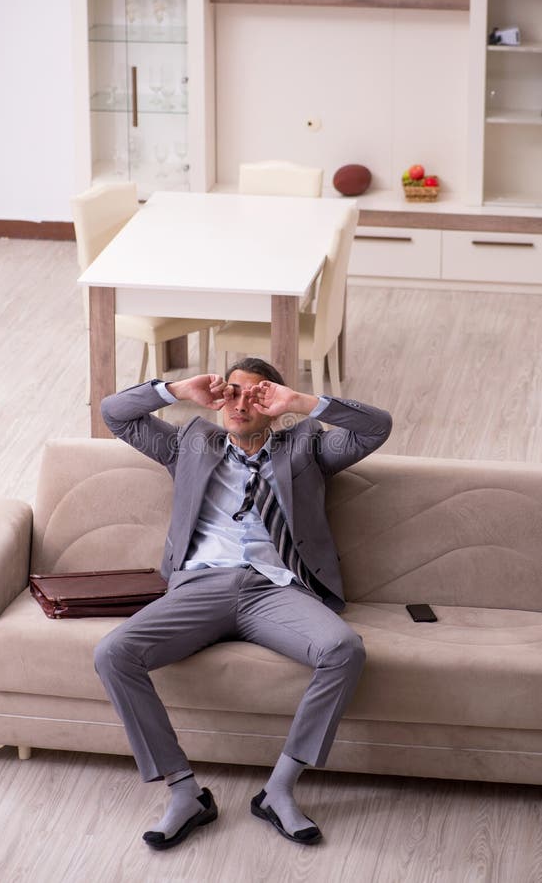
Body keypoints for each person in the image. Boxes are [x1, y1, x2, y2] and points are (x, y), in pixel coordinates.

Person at [94, 358, 392, 850]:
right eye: (233, 392)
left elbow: (376, 427)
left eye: (257, 395)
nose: (241, 403)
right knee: (113, 652)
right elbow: (114, 413)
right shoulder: (190, 442)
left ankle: (279, 790)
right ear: (218, 398)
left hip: (276, 590)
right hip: (201, 586)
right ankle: (184, 792)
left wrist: (301, 403)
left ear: (273, 404)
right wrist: (175, 390)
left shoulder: (308, 446)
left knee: (344, 649)